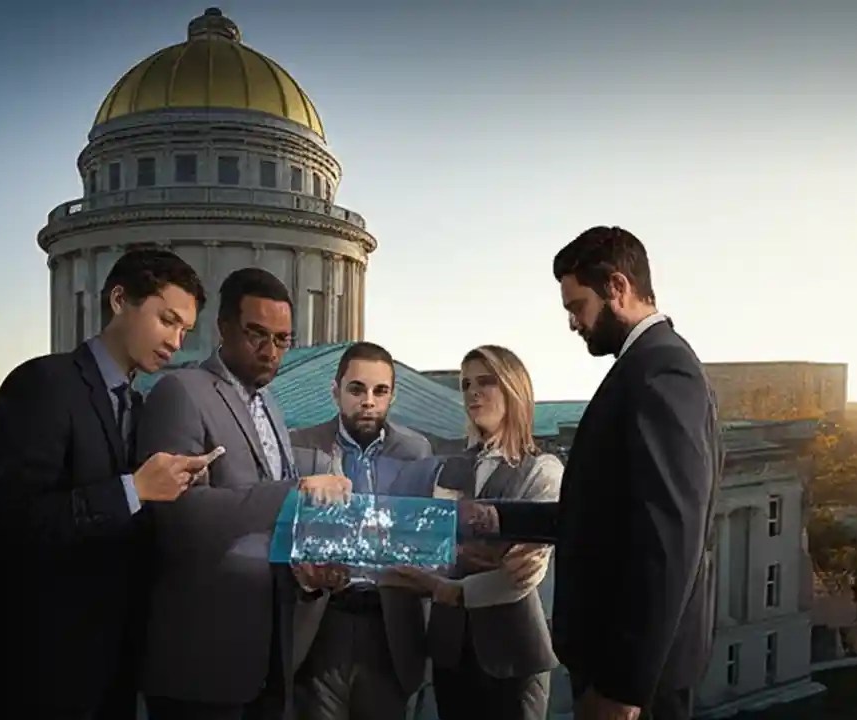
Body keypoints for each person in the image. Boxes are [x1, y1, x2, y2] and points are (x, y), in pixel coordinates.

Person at [461, 227, 722, 720]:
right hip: (618, 671)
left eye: (576, 306)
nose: (573, 323)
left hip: (632, 683)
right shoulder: (644, 367)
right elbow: (601, 515)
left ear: (618, 288)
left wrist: (624, 687)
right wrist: (498, 518)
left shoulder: (662, 370)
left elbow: (667, 538)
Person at [0, 248, 217, 719]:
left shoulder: (138, 408)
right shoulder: (42, 382)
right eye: (167, 321)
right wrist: (135, 490)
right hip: (37, 670)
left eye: (184, 330)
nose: (176, 343)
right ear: (120, 299)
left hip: (112, 669)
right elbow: (18, 526)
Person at [137, 267, 351, 720]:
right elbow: (179, 518)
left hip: (273, 653)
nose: (269, 351)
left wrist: (308, 568)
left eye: (281, 339)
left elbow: (270, 525)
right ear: (223, 329)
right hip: (205, 662)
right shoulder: (180, 392)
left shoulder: (270, 403)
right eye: (257, 334)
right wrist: (297, 492)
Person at [391, 345, 562, 720]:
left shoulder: (542, 469)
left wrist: (450, 587)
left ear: (514, 391)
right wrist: (474, 557)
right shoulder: (450, 468)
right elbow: (435, 551)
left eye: (486, 382)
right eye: (466, 384)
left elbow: (521, 573)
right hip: (450, 651)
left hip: (513, 656)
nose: (472, 392)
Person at [286, 341, 436, 720]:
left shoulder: (417, 451)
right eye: (357, 389)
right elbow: (282, 528)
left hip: (389, 626)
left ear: (392, 396)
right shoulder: (299, 445)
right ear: (336, 391)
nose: (368, 401)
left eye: (380, 391)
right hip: (323, 621)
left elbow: (420, 539)